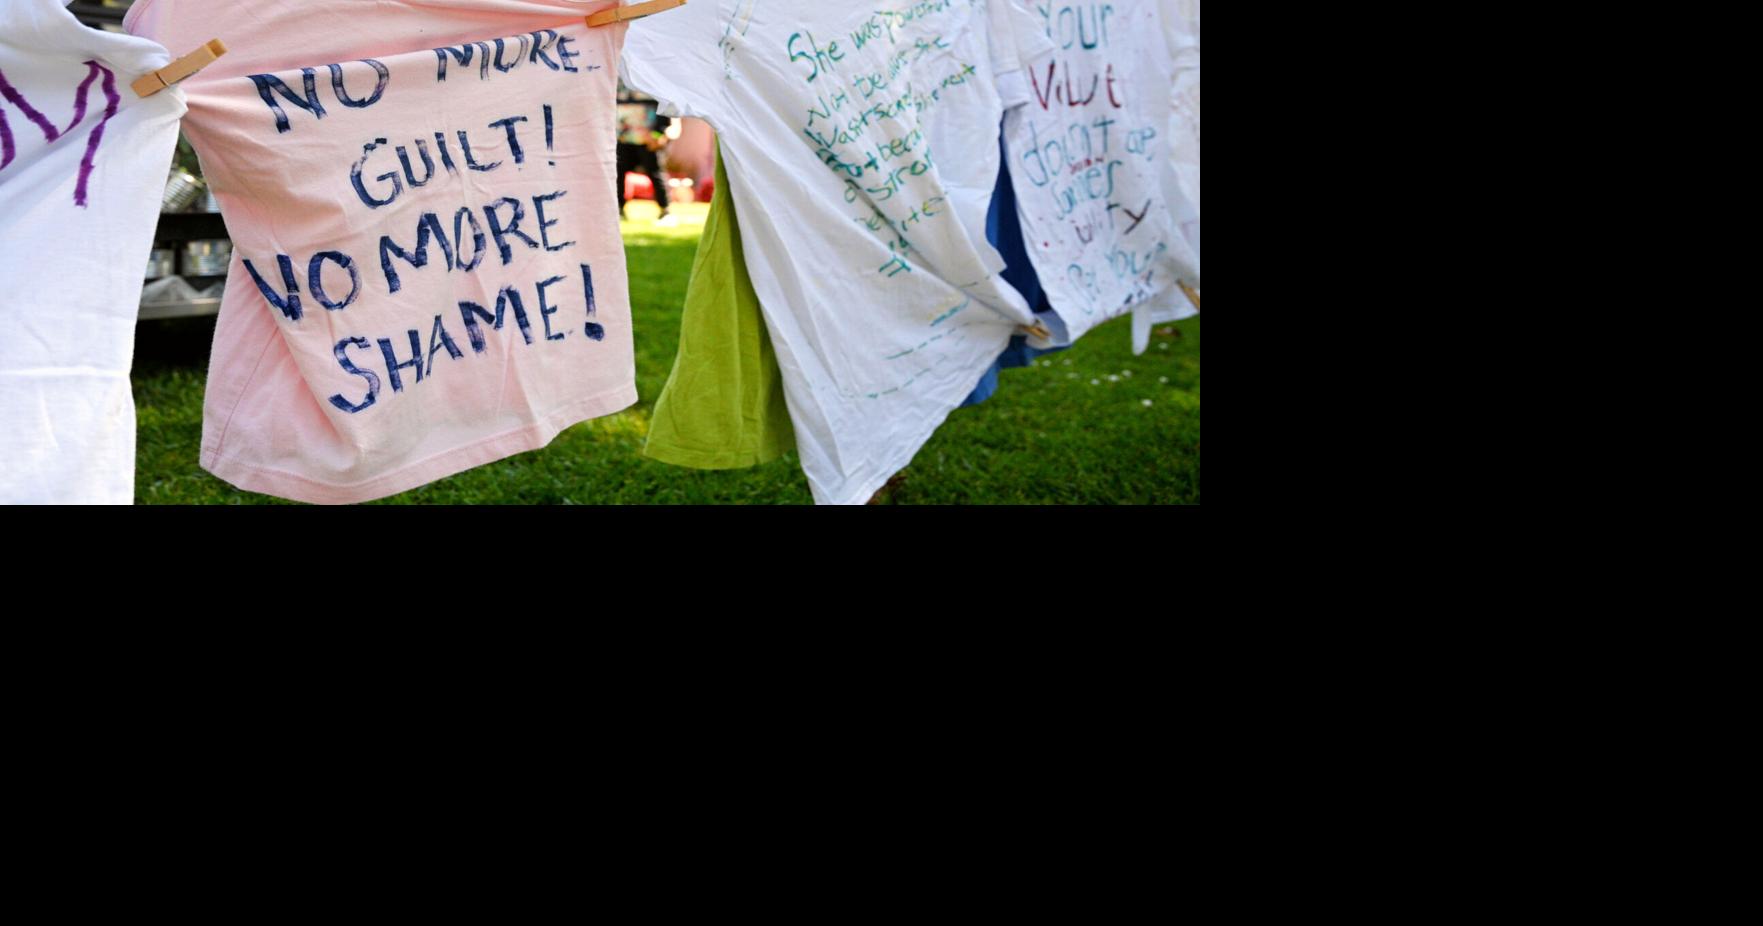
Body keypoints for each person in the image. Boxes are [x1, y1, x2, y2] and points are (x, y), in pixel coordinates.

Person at [616, 91, 674, 224]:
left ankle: (665, 210)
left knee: (655, 174)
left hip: (648, 141)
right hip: (622, 137)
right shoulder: (619, 82)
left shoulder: (650, 82)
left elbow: (665, 111)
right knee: (618, 174)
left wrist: (658, 135)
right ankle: (618, 209)